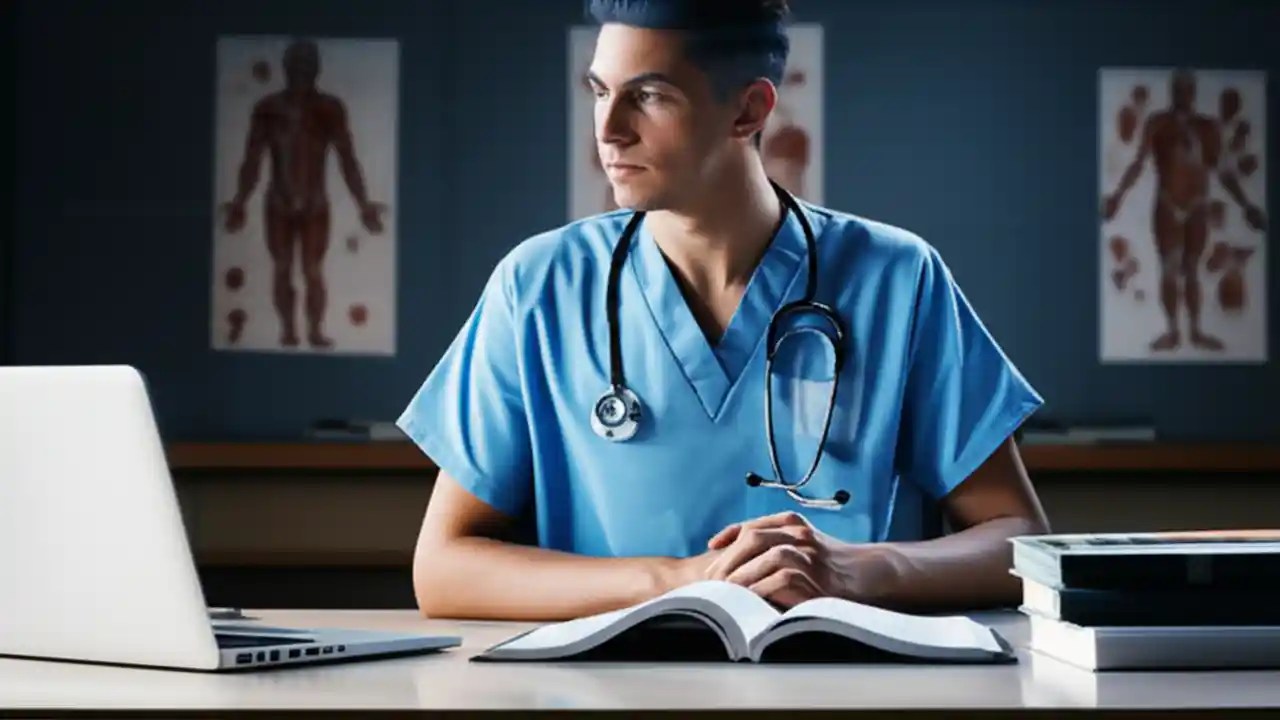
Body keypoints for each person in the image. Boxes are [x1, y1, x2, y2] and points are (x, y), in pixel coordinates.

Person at [397, 0, 1050, 621]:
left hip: (850, 695)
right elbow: (444, 569)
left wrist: (861, 571)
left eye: (649, 96)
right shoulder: (538, 288)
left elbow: (1017, 543)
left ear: (749, 109)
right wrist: (682, 582)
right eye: (600, 91)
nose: (609, 128)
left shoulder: (899, 279)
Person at [222, 39, 386, 349]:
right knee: (283, 267)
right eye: (296, 64)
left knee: (312, 270)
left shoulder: (328, 109)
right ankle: (288, 330)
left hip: (315, 201)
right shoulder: (268, 109)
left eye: (307, 64)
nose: (302, 71)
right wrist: (240, 202)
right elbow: (252, 160)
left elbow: (347, 159)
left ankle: (313, 331)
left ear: (316, 69)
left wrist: (364, 205)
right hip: (278, 201)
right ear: (286, 68)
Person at [1102, 69, 1267, 352]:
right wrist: (1117, 196)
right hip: (1168, 204)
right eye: (1178, 88)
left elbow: (1224, 171)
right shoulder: (1158, 123)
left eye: (1187, 89)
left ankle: (1195, 331)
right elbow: (1139, 163)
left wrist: (1246, 205)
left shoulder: (1207, 127)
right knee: (1169, 269)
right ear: (1172, 91)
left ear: (1193, 92)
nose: (1183, 94)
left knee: (1191, 269)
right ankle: (1173, 332)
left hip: (1197, 206)